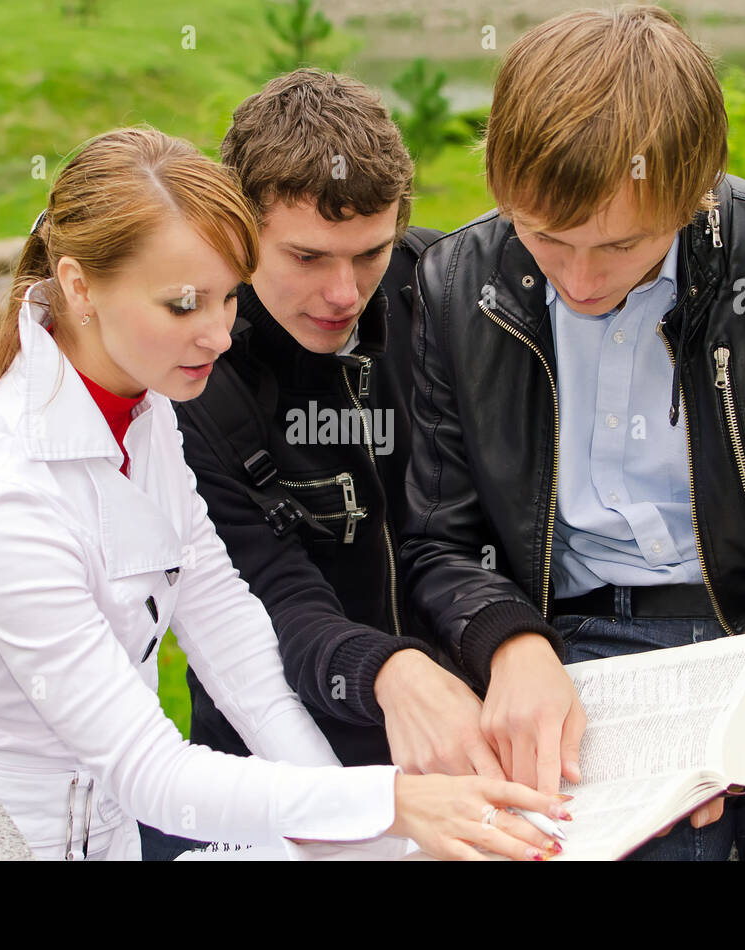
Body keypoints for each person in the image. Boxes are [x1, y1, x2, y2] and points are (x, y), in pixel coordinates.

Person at [0, 125, 563, 862]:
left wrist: (364, 843)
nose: (219, 335)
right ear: (78, 286)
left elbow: (234, 642)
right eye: (182, 305)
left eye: (228, 299)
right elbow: (148, 771)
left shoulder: (150, 405)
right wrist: (389, 804)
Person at [402, 5, 745, 860]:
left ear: (696, 190)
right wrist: (512, 642)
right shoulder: (460, 283)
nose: (577, 278)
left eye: (619, 244)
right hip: (572, 646)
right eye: (543, 236)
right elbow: (438, 542)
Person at [154, 69, 516, 859]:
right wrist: (389, 672)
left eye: (371, 252)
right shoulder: (194, 378)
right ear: (236, 229)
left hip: (472, 728)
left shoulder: (455, 296)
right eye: (308, 257)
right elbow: (263, 599)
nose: (343, 292)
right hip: (273, 759)